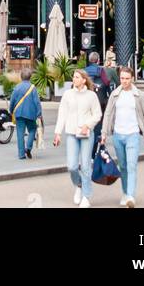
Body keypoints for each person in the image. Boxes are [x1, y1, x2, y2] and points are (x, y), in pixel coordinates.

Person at [100, 64, 144, 207]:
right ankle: (124, 193)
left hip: (133, 135)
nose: (124, 81)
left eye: (127, 78)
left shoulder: (139, 95)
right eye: (122, 78)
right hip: (118, 135)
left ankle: (130, 196)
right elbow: (108, 114)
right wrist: (104, 133)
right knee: (123, 166)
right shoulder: (115, 94)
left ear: (132, 79)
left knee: (131, 166)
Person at [53, 68, 102, 207]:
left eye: (77, 77)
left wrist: (88, 125)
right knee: (72, 166)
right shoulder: (68, 95)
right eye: (73, 77)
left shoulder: (91, 96)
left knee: (86, 166)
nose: (74, 79)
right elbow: (62, 114)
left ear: (84, 80)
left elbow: (97, 114)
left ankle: (86, 196)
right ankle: (78, 184)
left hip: (86, 133)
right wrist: (57, 133)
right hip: (71, 133)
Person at [10, 68, 42, 160]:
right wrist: (39, 113)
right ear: (30, 77)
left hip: (19, 114)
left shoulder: (17, 87)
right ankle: (28, 148)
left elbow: (12, 101)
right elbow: (37, 102)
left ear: (21, 77)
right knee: (32, 129)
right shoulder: (33, 88)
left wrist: (11, 110)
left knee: (20, 133)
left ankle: (21, 154)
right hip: (31, 114)